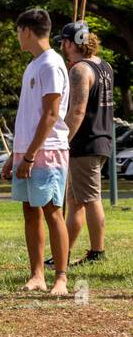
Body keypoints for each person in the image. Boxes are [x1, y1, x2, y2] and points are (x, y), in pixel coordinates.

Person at [4, 8, 69, 296]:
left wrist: (31, 155)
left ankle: (61, 278)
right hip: (26, 151)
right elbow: (27, 116)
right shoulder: (33, 65)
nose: (18, 37)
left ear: (27, 31)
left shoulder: (51, 64)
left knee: (52, 211)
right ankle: (37, 274)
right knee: (30, 211)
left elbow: (51, 114)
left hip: (48, 151)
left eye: (18, 31)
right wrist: (15, 154)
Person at [58, 20, 112, 266]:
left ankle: (97, 252)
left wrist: (62, 140)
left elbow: (77, 111)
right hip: (100, 138)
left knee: (90, 198)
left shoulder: (79, 70)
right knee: (74, 201)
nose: (62, 46)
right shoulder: (104, 65)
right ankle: (63, 253)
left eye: (63, 42)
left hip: (85, 142)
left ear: (70, 43)